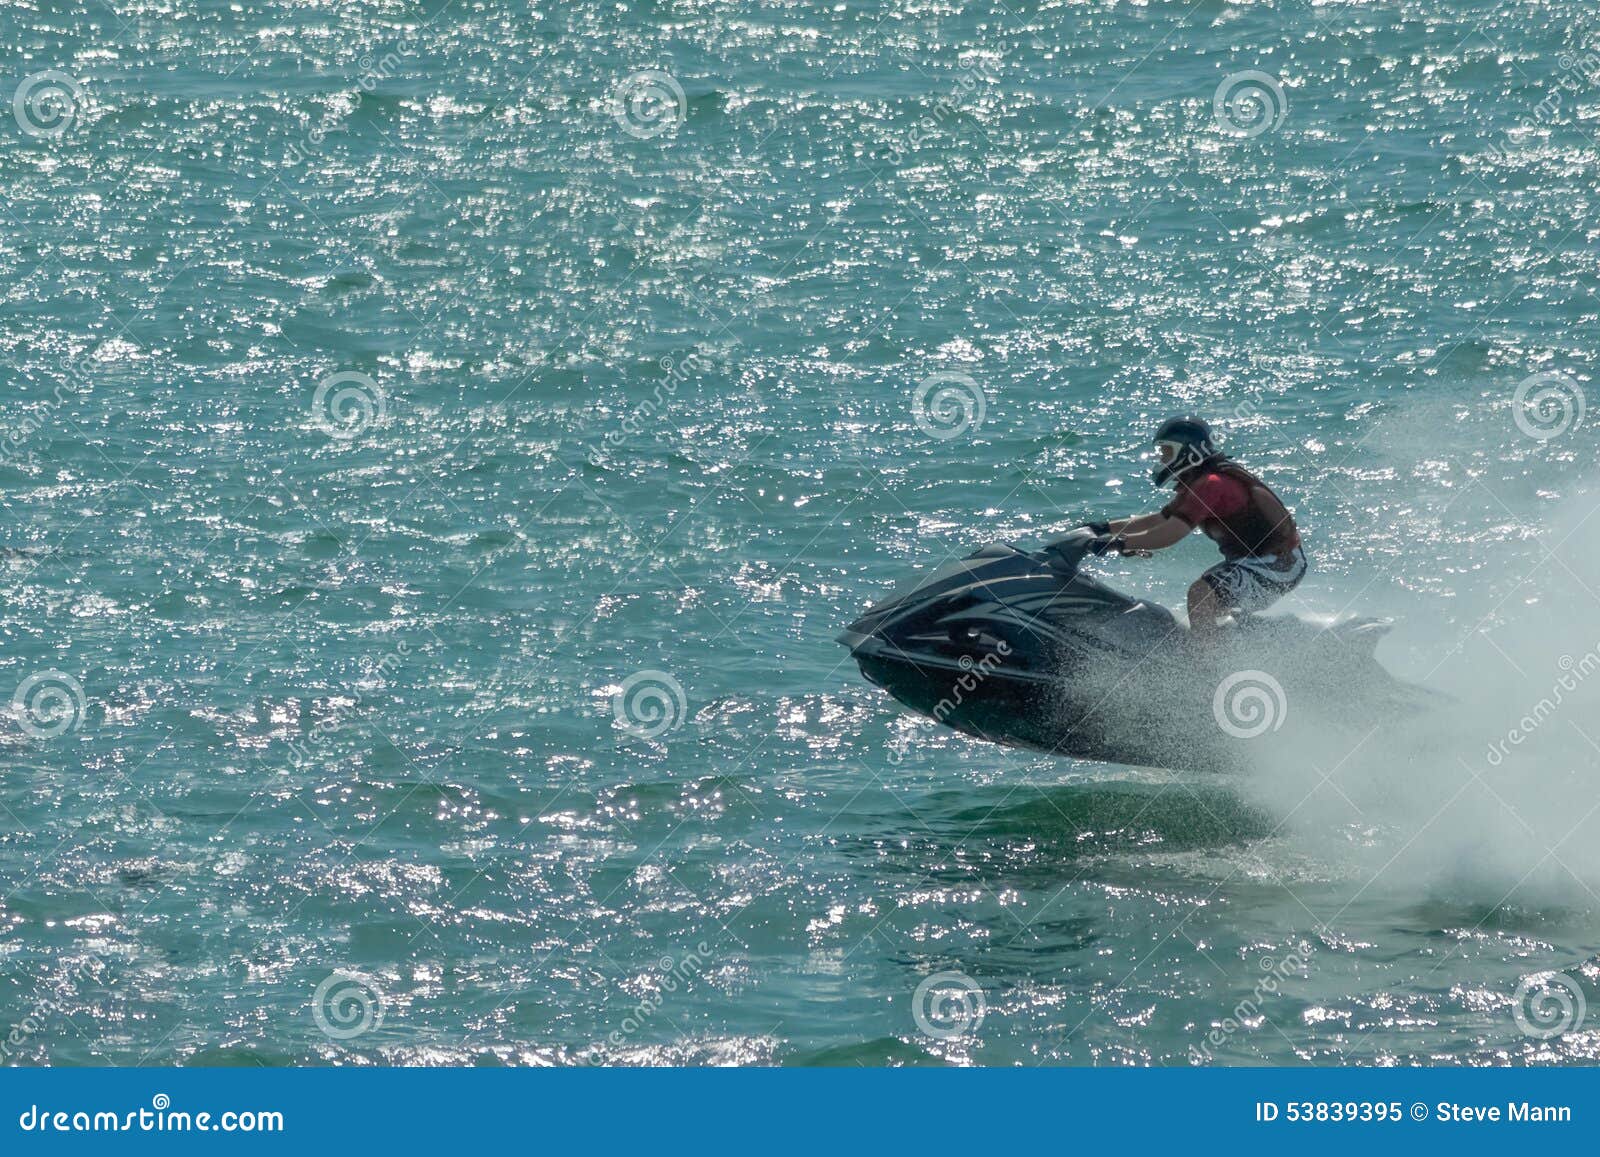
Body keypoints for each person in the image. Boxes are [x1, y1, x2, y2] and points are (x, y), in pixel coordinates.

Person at [1082, 416, 1306, 635]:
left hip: (1278, 565)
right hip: (1257, 563)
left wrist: (1117, 543)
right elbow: (1160, 519)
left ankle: (1204, 664)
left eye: (1167, 452)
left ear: (1188, 450)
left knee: (1202, 594)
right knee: (1209, 597)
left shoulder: (1212, 485)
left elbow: (1171, 533)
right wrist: (1104, 529)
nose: (1161, 460)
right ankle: (1240, 638)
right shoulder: (1200, 483)